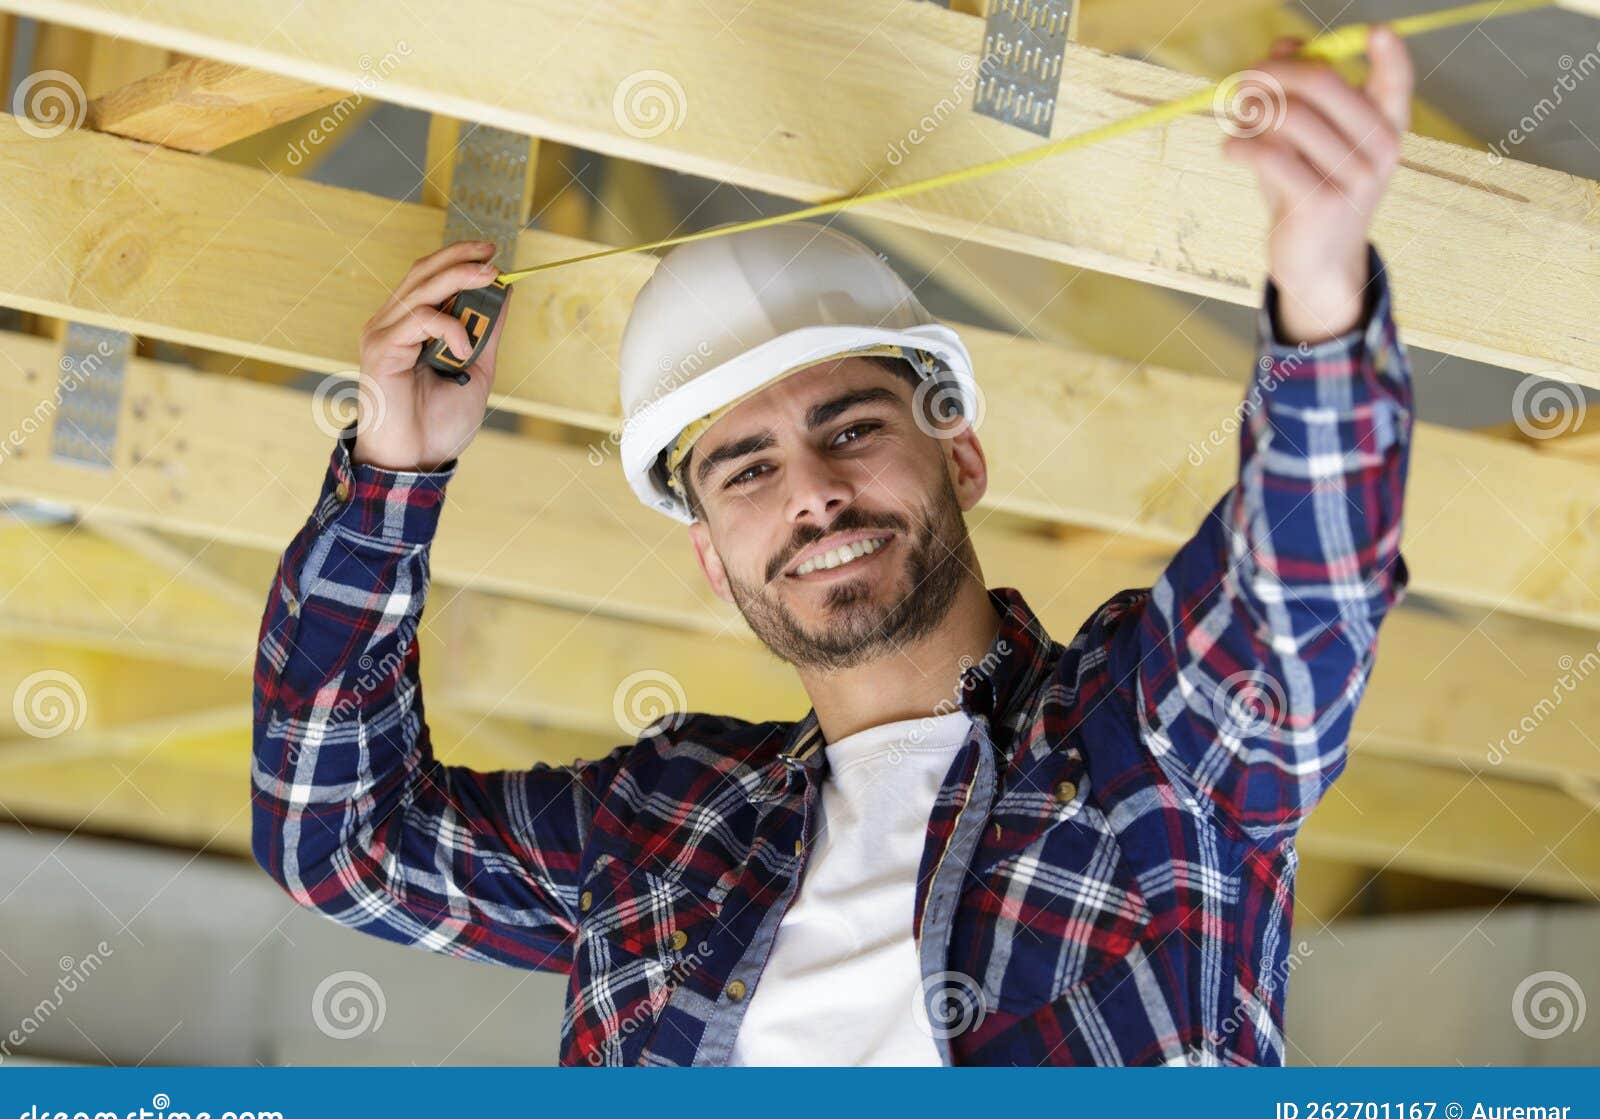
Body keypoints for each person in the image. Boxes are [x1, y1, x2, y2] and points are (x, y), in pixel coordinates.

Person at [252, 29, 1416, 1066]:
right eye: (746, 470)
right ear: (712, 558)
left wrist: (1320, 296)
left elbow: (1297, 600)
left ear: (961, 456)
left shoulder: (1143, 742)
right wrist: (393, 474)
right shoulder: (664, 827)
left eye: (851, 429)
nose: (811, 493)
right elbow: (340, 840)